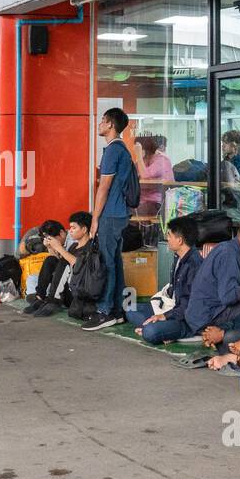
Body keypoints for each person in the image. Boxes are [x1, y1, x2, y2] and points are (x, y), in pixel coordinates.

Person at [81, 107, 135, 331]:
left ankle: (105, 311)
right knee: (115, 262)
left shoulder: (113, 150)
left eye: (103, 121)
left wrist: (94, 218)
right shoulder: (122, 149)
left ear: (111, 124)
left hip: (110, 214)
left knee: (106, 262)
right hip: (120, 213)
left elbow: (103, 188)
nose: (100, 124)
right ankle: (117, 310)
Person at [183, 214, 240, 340]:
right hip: (206, 319)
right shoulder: (230, 254)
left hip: (199, 316)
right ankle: (230, 335)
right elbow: (229, 297)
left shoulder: (227, 247)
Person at [124, 214, 200, 344]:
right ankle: (160, 329)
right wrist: (162, 313)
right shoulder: (178, 257)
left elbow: (189, 306)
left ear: (180, 240)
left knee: (150, 332)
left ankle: (164, 331)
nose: (167, 239)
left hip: (185, 319)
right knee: (130, 310)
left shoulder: (194, 265)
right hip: (171, 307)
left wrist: (164, 316)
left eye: (169, 235)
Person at [28, 212, 95, 318]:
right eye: (70, 227)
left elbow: (79, 266)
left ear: (84, 229)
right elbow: (59, 266)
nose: (70, 231)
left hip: (79, 294)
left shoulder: (91, 247)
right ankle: (40, 297)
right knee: (50, 260)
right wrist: (51, 247)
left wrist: (59, 248)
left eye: (74, 228)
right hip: (68, 290)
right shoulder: (73, 246)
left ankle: (53, 301)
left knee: (64, 261)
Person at [134, 135, 173, 218]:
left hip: (157, 203)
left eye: (137, 148)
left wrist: (139, 156)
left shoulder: (161, 160)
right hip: (142, 201)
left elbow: (145, 175)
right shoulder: (144, 161)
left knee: (129, 211)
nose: (135, 151)